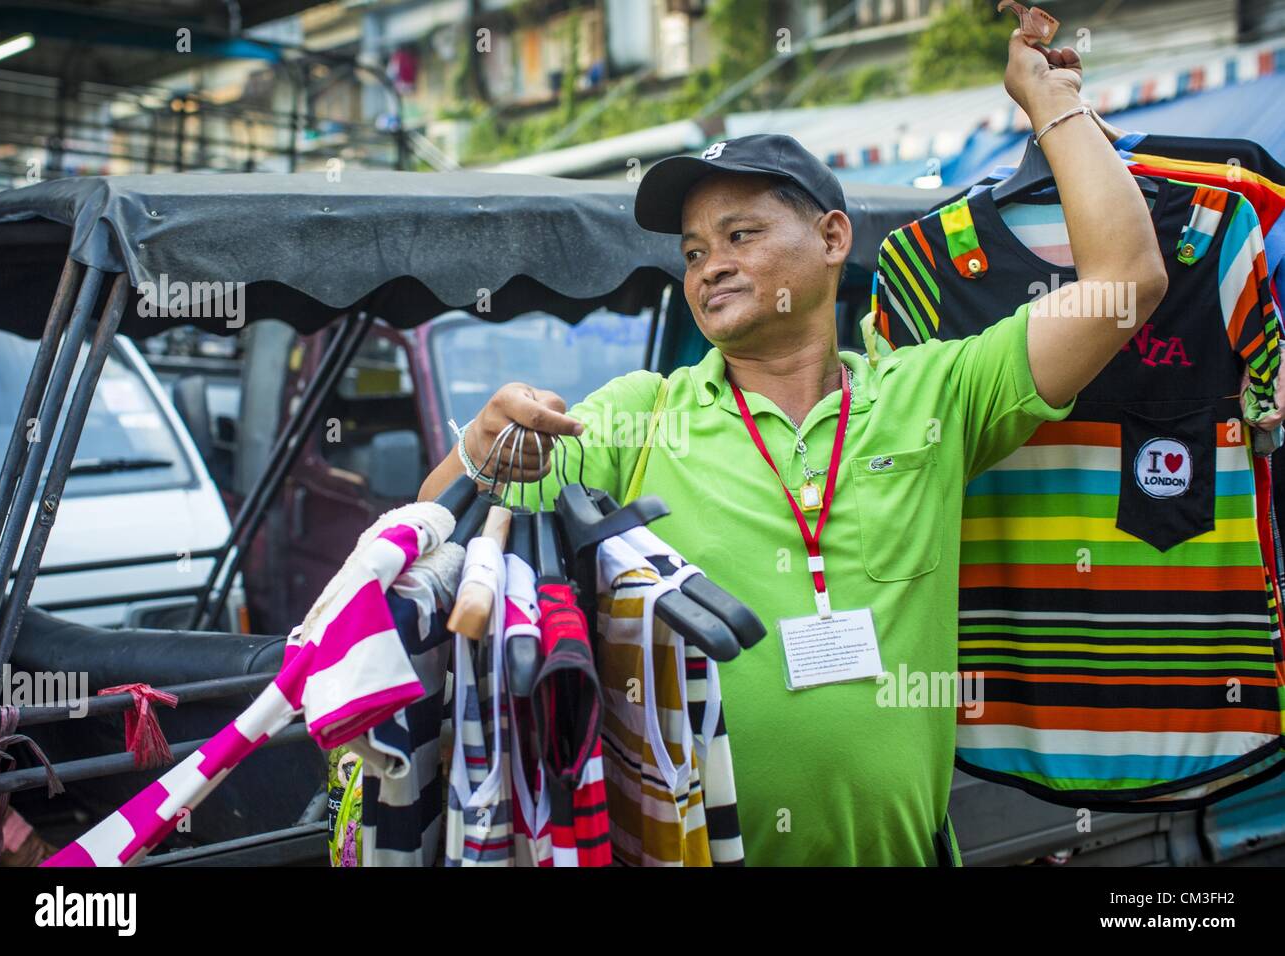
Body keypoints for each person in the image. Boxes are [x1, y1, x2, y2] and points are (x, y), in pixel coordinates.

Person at [419, 32, 1171, 865]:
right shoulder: (642, 416)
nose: (709, 267)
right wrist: (485, 448)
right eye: (695, 252)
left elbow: (1127, 281)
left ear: (834, 237)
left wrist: (1051, 103)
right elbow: (439, 536)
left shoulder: (932, 396)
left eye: (740, 236)